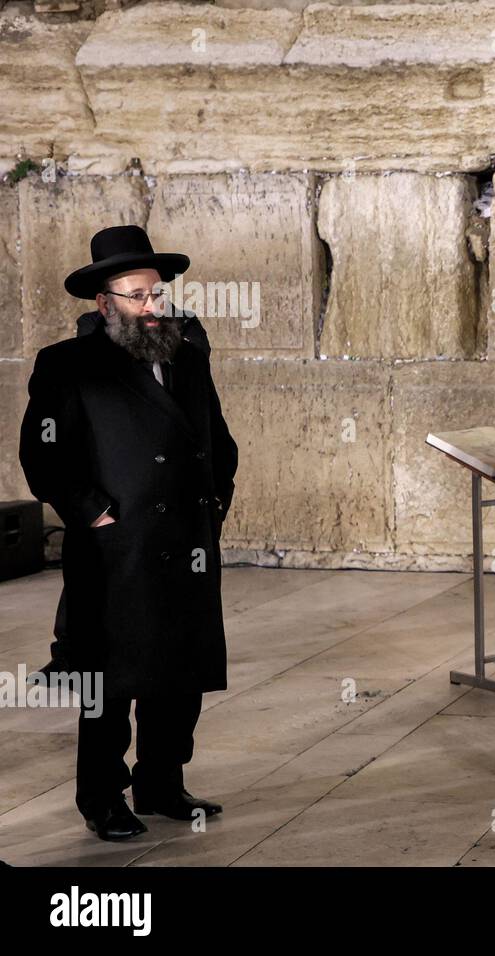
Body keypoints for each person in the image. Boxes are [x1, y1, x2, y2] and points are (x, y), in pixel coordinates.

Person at [19, 224, 238, 841]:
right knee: (111, 684)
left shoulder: (188, 356)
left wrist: (215, 502)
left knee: (180, 675)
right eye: (136, 297)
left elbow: (217, 440)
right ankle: (102, 798)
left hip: (188, 545)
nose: (151, 307)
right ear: (104, 303)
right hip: (117, 550)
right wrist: (93, 513)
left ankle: (162, 782)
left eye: (156, 295)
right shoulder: (67, 365)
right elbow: (43, 457)